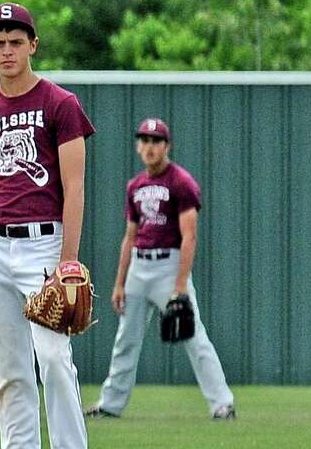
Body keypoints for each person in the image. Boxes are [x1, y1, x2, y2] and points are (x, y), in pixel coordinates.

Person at [0, 3, 110, 449]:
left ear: (33, 45)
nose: (6, 50)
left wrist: (68, 258)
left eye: (15, 41)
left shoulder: (60, 104)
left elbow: (74, 186)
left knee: (54, 358)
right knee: (8, 368)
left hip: (44, 242)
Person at [84, 117, 235, 420]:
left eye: (156, 141)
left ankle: (222, 403)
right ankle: (110, 404)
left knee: (194, 336)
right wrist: (118, 283)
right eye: (145, 140)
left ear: (167, 146)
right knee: (126, 339)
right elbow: (129, 236)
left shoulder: (181, 182)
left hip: (169, 266)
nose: (150, 147)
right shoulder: (135, 186)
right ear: (138, 146)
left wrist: (180, 284)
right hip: (139, 265)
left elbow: (189, 236)